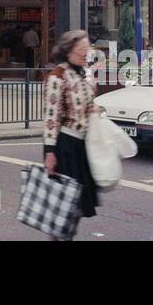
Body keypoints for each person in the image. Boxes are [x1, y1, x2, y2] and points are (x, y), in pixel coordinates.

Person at [41, 30, 100, 229]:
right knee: (64, 208)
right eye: (82, 49)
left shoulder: (83, 74)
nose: (86, 53)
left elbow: (85, 105)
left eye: (87, 49)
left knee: (76, 207)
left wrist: (93, 109)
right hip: (64, 146)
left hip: (82, 145)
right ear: (68, 50)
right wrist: (50, 153)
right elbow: (51, 117)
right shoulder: (57, 76)